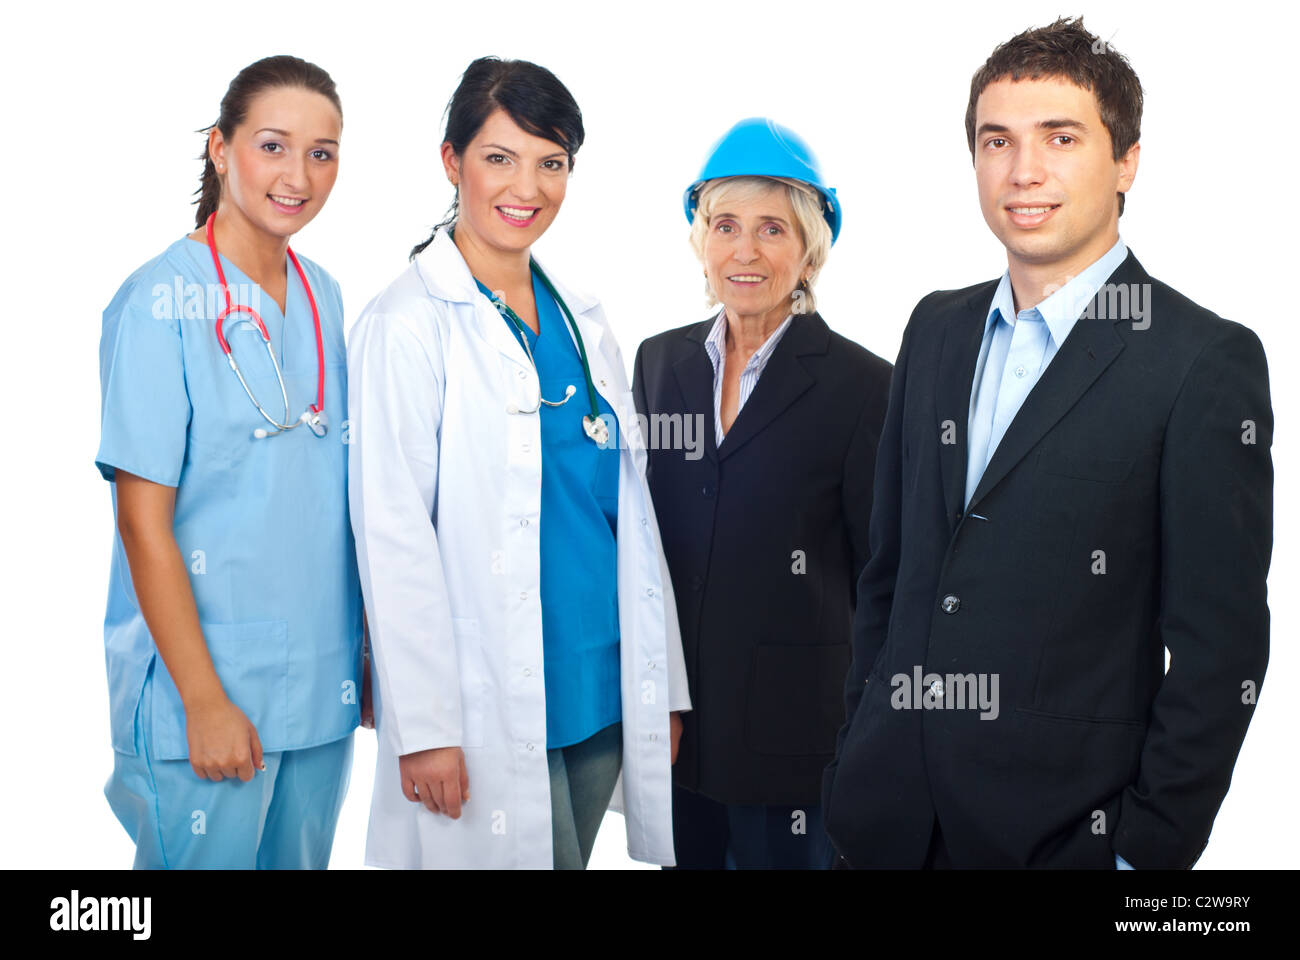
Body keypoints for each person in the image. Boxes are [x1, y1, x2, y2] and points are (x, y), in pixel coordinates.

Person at [822, 17, 1272, 869]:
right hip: (881, 823)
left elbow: (1222, 653)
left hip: (1060, 838)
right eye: (998, 141)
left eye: (1060, 138)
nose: (1023, 171)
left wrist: (1140, 854)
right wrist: (855, 753)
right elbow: (890, 573)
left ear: (1127, 160)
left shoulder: (1202, 362)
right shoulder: (935, 328)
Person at [348, 56, 690, 870]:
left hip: (600, 685)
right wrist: (425, 727)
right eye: (499, 157)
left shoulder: (582, 319)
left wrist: (661, 686)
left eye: (551, 162)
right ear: (451, 160)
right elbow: (392, 535)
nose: (526, 186)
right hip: (485, 697)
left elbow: (631, 519)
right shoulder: (407, 324)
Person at [96, 55, 363, 869]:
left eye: (323, 152)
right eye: (274, 145)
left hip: (319, 689)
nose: (300, 175)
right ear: (220, 148)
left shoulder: (324, 293)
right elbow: (144, 526)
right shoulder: (157, 302)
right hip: (204, 697)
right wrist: (204, 700)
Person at [633, 119, 892, 869]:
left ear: (809, 250)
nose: (744, 251)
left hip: (800, 746)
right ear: (700, 241)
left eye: (772, 229)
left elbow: (886, 579)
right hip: (681, 733)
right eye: (725, 226)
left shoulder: (864, 387)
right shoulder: (660, 363)